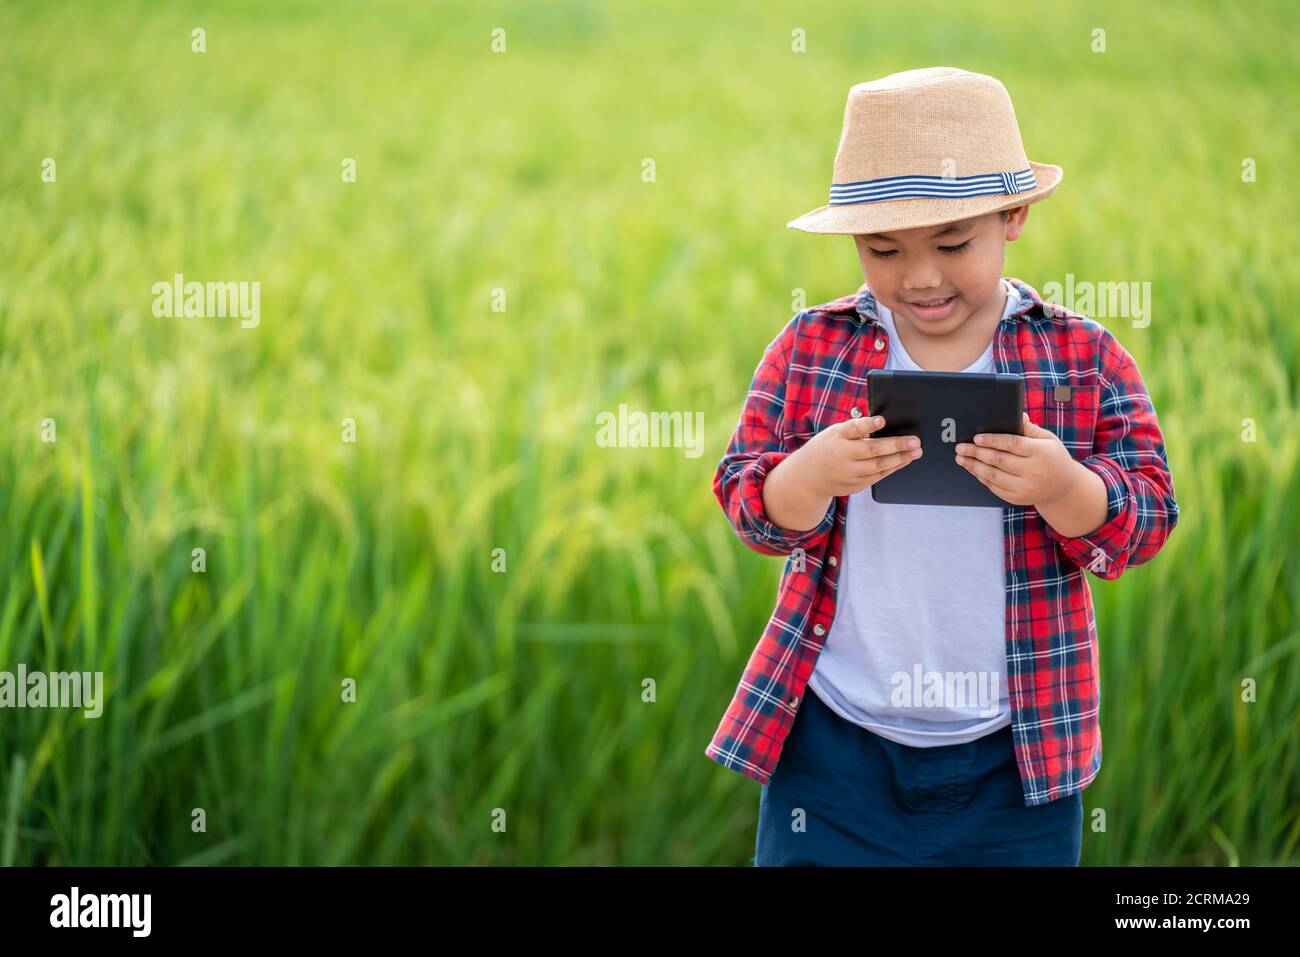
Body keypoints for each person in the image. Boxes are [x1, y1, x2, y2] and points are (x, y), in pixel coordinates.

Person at [703, 67, 1180, 866]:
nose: (918, 277)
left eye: (953, 243)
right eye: (882, 249)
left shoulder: (1081, 358)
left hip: (1015, 756)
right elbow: (747, 502)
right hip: (833, 749)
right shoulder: (813, 347)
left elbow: (1149, 517)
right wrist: (812, 474)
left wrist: (1065, 487)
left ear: (1014, 215)